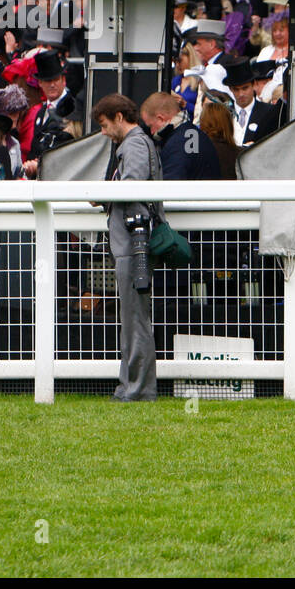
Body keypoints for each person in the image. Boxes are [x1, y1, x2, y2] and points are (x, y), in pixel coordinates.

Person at [93, 93, 159, 402]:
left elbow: (133, 184)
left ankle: (137, 390)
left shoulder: (132, 144)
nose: (104, 133)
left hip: (133, 242)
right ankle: (130, 387)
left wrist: (101, 193)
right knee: (133, 319)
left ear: (120, 117)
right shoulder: (138, 142)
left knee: (134, 321)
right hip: (132, 241)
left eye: (105, 126)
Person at [140, 91, 221, 180]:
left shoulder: (178, 142)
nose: (151, 132)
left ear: (161, 119)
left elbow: (172, 186)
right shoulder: (193, 134)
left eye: (151, 126)